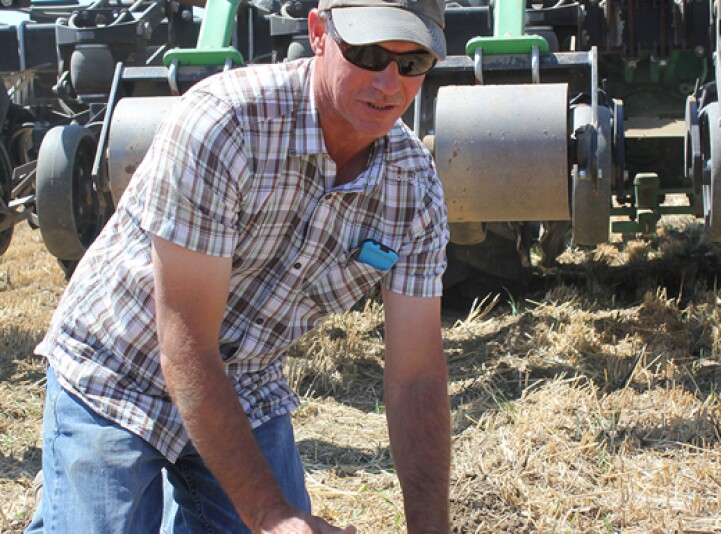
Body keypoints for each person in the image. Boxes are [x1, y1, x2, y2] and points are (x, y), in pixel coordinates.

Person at [26, 0, 451, 531]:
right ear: (318, 32)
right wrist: (271, 515)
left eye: (411, 64)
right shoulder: (225, 124)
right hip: (116, 370)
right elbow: (182, 342)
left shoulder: (414, 190)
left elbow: (416, 378)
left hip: (246, 382)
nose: (389, 83)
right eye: (366, 54)